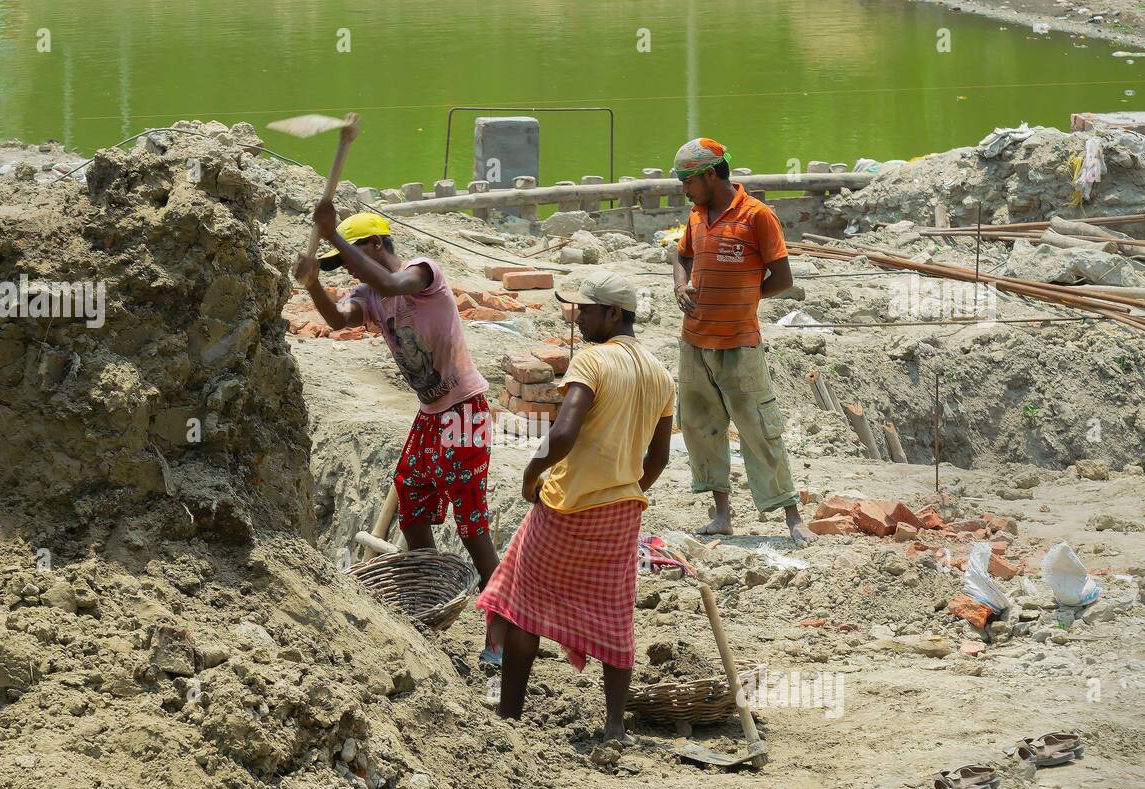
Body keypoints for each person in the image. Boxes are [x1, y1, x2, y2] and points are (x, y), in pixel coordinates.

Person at [476, 270, 674, 741]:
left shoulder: (593, 362)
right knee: (614, 616)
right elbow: (660, 457)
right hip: (621, 513)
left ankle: (509, 713)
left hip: (567, 506)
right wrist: (626, 485)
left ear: (613, 314)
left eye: (585, 309)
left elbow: (562, 434)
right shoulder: (661, 374)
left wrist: (531, 475)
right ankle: (613, 727)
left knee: (527, 606)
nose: (577, 317)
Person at [295, 201, 501, 616]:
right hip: (430, 416)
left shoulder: (424, 274)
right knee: (412, 507)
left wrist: (331, 234)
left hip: (464, 409)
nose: (348, 270)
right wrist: (314, 283)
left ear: (374, 244)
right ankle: (434, 595)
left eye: (349, 258)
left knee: (470, 522)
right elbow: (337, 320)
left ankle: (503, 615)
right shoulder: (369, 295)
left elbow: (392, 284)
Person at [671, 137, 817, 547]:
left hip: (739, 343)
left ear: (710, 175)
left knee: (759, 428)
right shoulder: (696, 215)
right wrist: (681, 285)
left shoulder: (757, 216)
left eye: (687, 180)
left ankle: (791, 515)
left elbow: (783, 279)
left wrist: (747, 295)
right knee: (702, 426)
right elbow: (682, 256)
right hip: (694, 342)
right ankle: (721, 515)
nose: (683, 188)